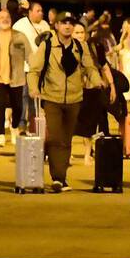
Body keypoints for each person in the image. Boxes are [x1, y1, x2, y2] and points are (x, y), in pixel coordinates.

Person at [27, 12, 104, 192]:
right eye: (64, 23)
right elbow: (34, 71)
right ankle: (57, 177)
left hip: (74, 99)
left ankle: (61, 179)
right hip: (52, 98)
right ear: (57, 26)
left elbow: (89, 67)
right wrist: (33, 88)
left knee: (66, 139)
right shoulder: (47, 46)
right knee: (55, 137)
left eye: (71, 23)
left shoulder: (80, 46)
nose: (68, 26)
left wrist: (96, 79)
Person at [0, 8, 32, 147]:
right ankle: (1, 135)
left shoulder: (20, 37)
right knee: (0, 107)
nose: (5, 19)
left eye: (7, 17)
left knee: (18, 107)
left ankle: (14, 128)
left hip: (16, 79)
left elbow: (30, 56)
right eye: (2, 17)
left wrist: (35, 72)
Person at [73, 22, 116, 164]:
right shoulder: (65, 48)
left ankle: (87, 154)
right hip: (72, 91)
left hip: (91, 89)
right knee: (71, 124)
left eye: (81, 32)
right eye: (76, 32)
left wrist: (112, 85)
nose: (79, 35)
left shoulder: (94, 48)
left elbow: (104, 66)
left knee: (89, 125)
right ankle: (68, 153)